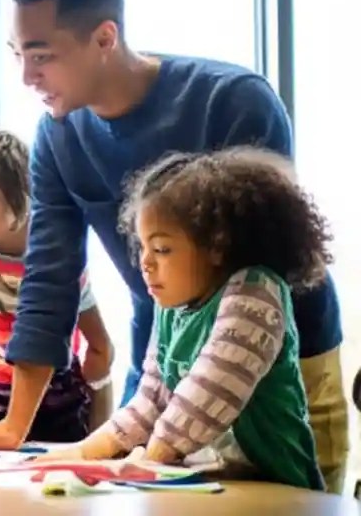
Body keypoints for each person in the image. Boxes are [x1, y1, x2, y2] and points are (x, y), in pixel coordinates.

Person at [0, 0, 348, 493]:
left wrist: (159, 448)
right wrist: (13, 426)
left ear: (105, 37)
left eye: (41, 55)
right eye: (17, 55)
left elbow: (255, 285)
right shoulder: (58, 137)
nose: (26, 76)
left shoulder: (234, 100)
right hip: (162, 355)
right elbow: (50, 280)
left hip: (281, 366)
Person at [37, 147, 327, 491]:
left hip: (278, 488)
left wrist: (147, 462)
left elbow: (209, 390)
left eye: (161, 249)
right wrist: (82, 452)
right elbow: (150, 399)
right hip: (215, 485)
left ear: (217, 245)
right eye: (142, 247)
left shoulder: (254, 292)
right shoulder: (170, 308)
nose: (145, 263)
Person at [0, 127, 114, 444]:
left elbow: (100, 346)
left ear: (22, 192)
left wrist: (100, 431)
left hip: (58, 388)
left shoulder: (54, 253)